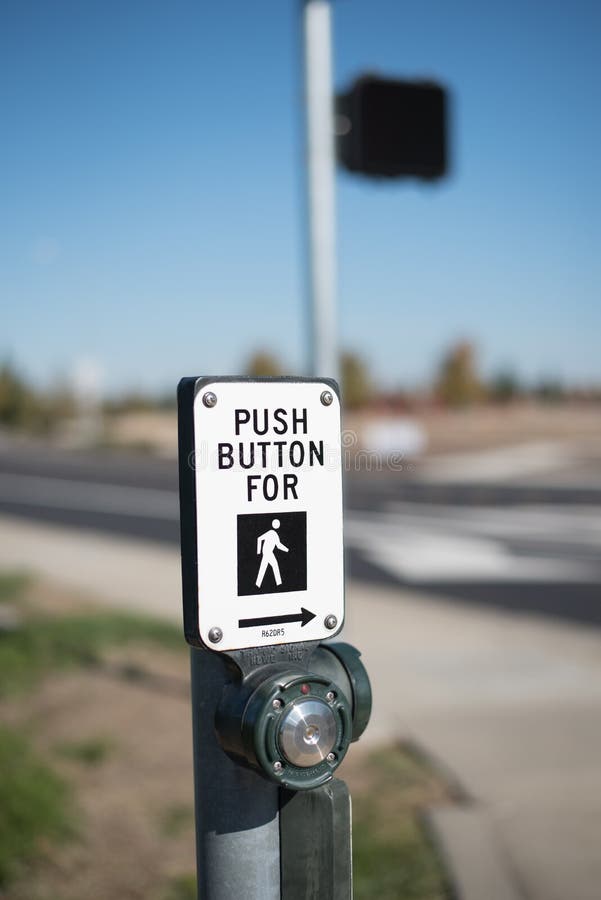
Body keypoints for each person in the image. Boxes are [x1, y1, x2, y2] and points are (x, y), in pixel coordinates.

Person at [256, 519, 289, 588]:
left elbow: (279, 545)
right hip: (267, 552)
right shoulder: (271, 532)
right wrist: (258, 552)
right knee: (273, 565)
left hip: (267, 552)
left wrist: (287, 550)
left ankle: (258, 584)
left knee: (264, 567)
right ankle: (279, 584)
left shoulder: (275, 535)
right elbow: (259, 538)